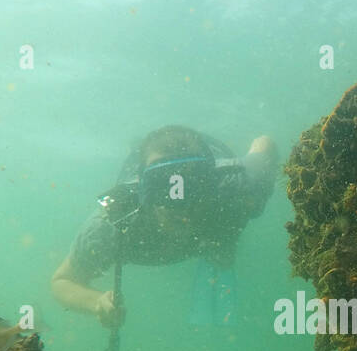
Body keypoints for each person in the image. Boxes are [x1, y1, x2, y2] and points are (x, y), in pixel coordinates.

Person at [51, 126, 276, 337]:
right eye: (160, 185)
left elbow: (264, 145)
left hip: (215, 228)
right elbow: (62, 280)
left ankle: (218, 247)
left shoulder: (238, 188)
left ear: (210, 181)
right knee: (221, 250)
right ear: (142, 187)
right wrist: (96, 302)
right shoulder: (115, 223)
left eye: (193, 183)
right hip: (206, 224)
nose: (177, 203)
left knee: (222, 255)